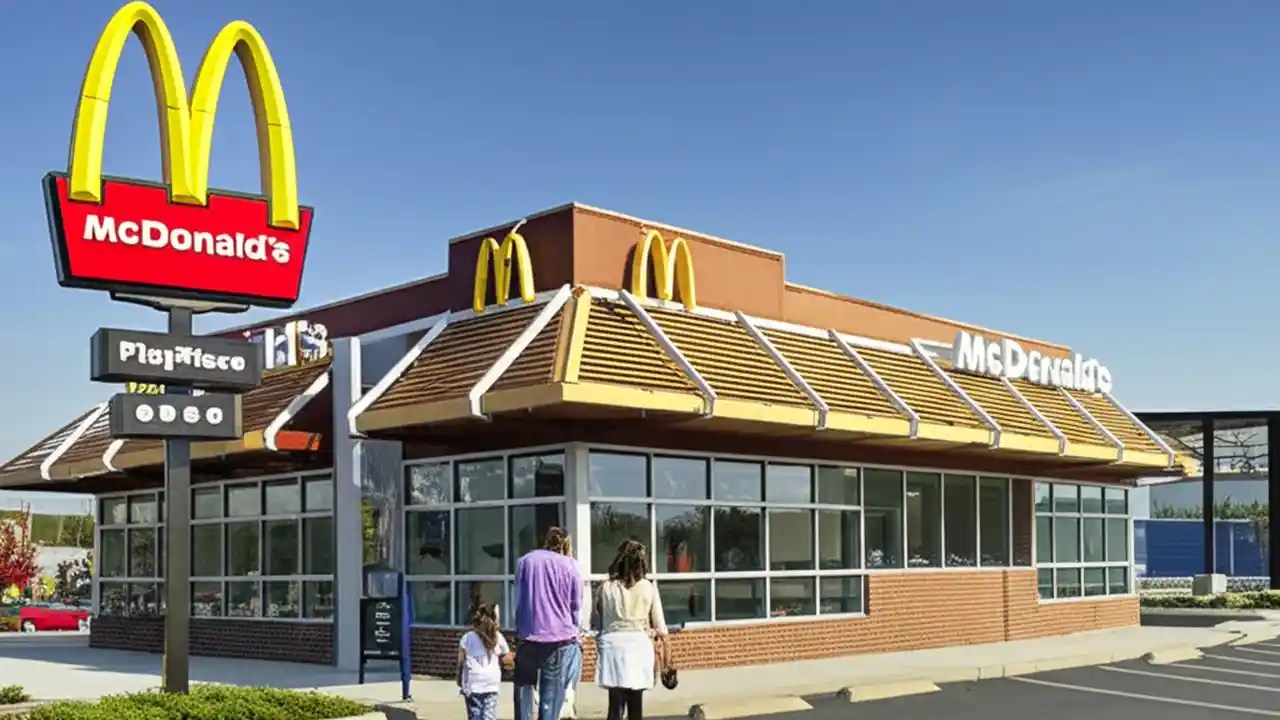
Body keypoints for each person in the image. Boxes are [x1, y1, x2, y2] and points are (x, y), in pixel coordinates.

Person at [593, 540, 668, 720]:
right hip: (639, 645)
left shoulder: (606, 587)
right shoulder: (648, 587)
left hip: (613, 646)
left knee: (615, 704)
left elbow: (595, 619)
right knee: (636, 703)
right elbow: (660, 626)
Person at [514, 527, 582, 720]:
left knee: (525, 691)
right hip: (559, 636)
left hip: (528, 633)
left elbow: (518, 599)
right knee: (550, 697)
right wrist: (576, 631)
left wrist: (519, 627)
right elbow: (576, 605)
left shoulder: (525, 561)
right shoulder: (571, 565)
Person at [457, 602, 511, 720]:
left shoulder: (467, 638)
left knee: (475, 715)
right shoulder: (497, 636)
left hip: (473, 682)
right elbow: (507, 659)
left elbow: (461, 662)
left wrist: (460, 681)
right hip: (492, 682)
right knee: (489, 715)